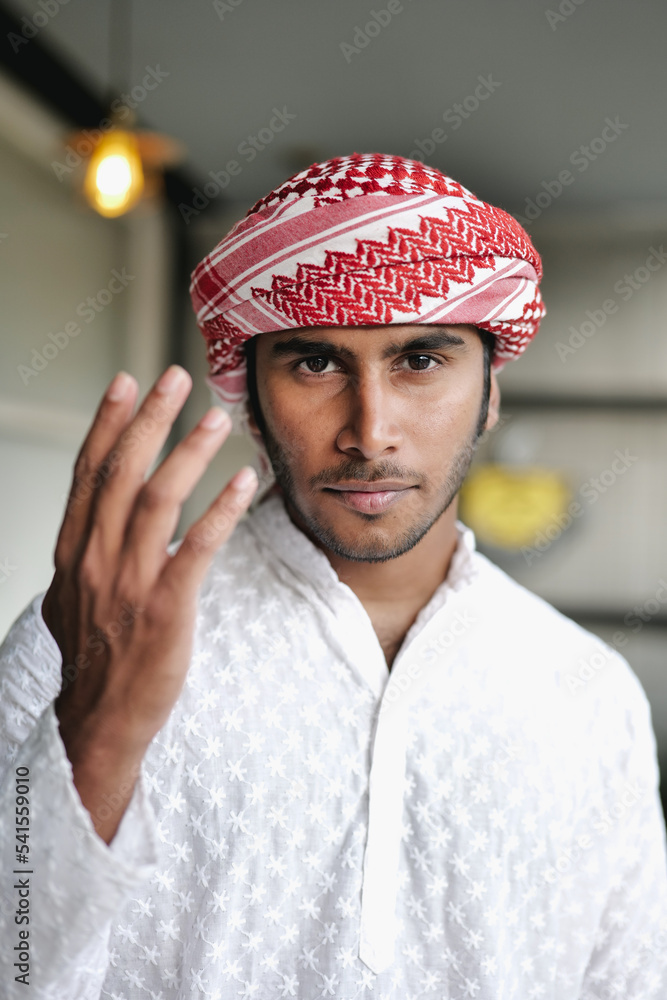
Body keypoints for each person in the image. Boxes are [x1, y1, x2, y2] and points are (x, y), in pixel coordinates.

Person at [0, 153, 665, 999]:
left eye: (420, 360)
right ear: (251, 400)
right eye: (314, 363)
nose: (369, 430)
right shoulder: (87, 637)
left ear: (490, 395)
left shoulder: (589, 691)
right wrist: (97, 740)